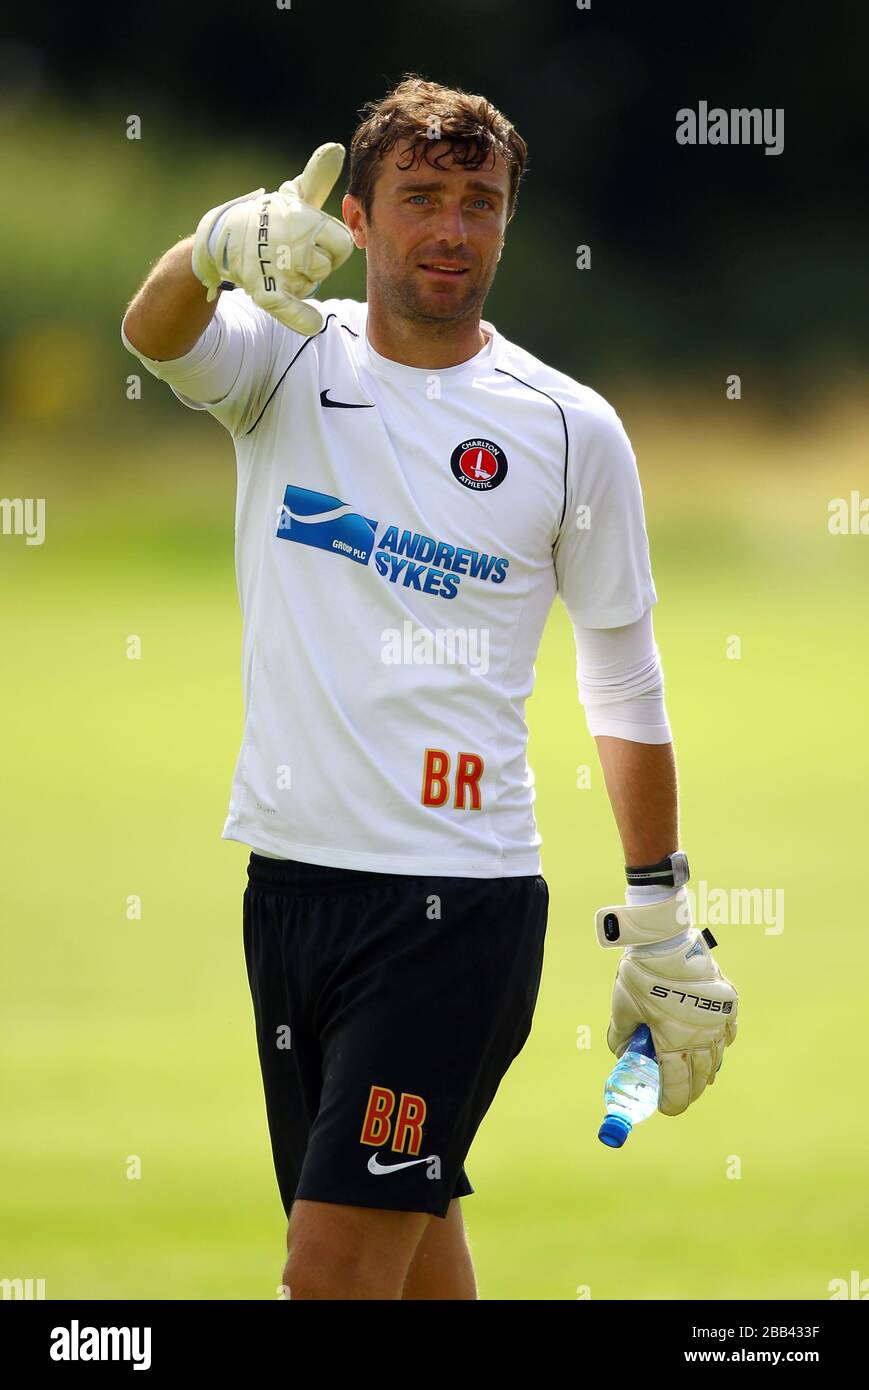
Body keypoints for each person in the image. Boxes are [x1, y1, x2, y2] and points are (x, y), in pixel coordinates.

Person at [121, 74, 738, 1301]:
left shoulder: (568, 427)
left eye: (480, 202)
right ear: (356, 216)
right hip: (289, 889)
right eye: (418, 199)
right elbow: (152, 331)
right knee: (410, 1273)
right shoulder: (286, 358)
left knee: (331, 1273)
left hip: (451, 913)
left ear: (509, 219)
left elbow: (622, 674)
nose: (450, 229)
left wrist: (659, 909)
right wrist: (210, 247)